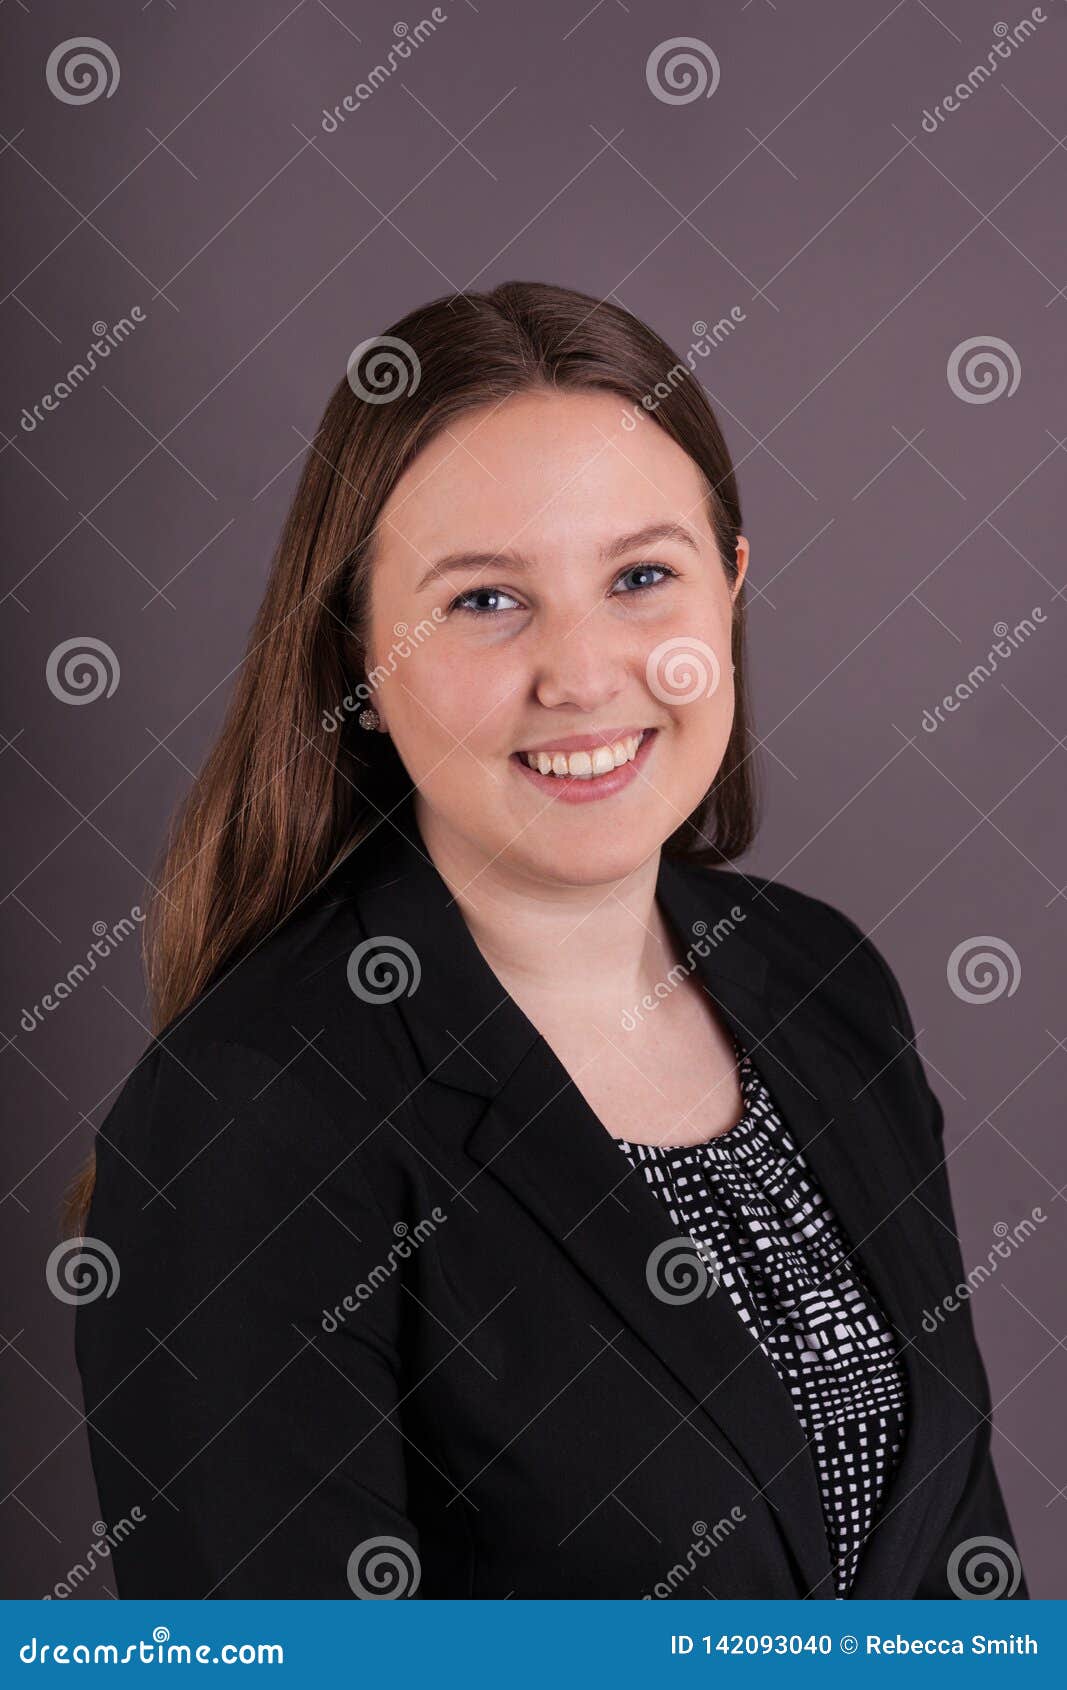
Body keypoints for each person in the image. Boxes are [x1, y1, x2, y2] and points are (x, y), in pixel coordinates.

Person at [70, 280, 1025, 1600]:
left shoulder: (826, 985)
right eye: (483, 601)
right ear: (359, 644)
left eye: (642, 577)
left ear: (730, 588)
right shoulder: (251, 1117)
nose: (580, 672)